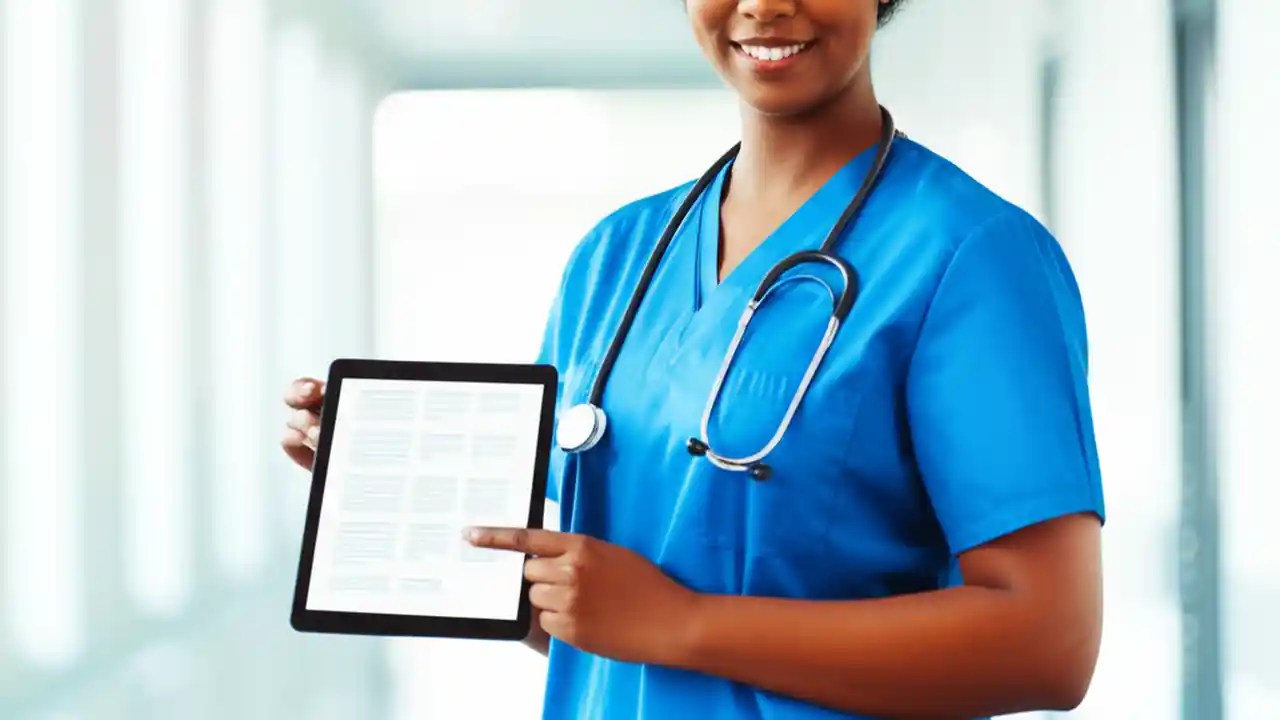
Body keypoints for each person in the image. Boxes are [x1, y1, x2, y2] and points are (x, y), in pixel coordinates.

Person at [282, 1, 1106, 717]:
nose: (765, 5)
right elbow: (593, 618)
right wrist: (383, 490)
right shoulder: (615, 258)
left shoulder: (971, 255)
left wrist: (684, 621)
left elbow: (1048, 643)